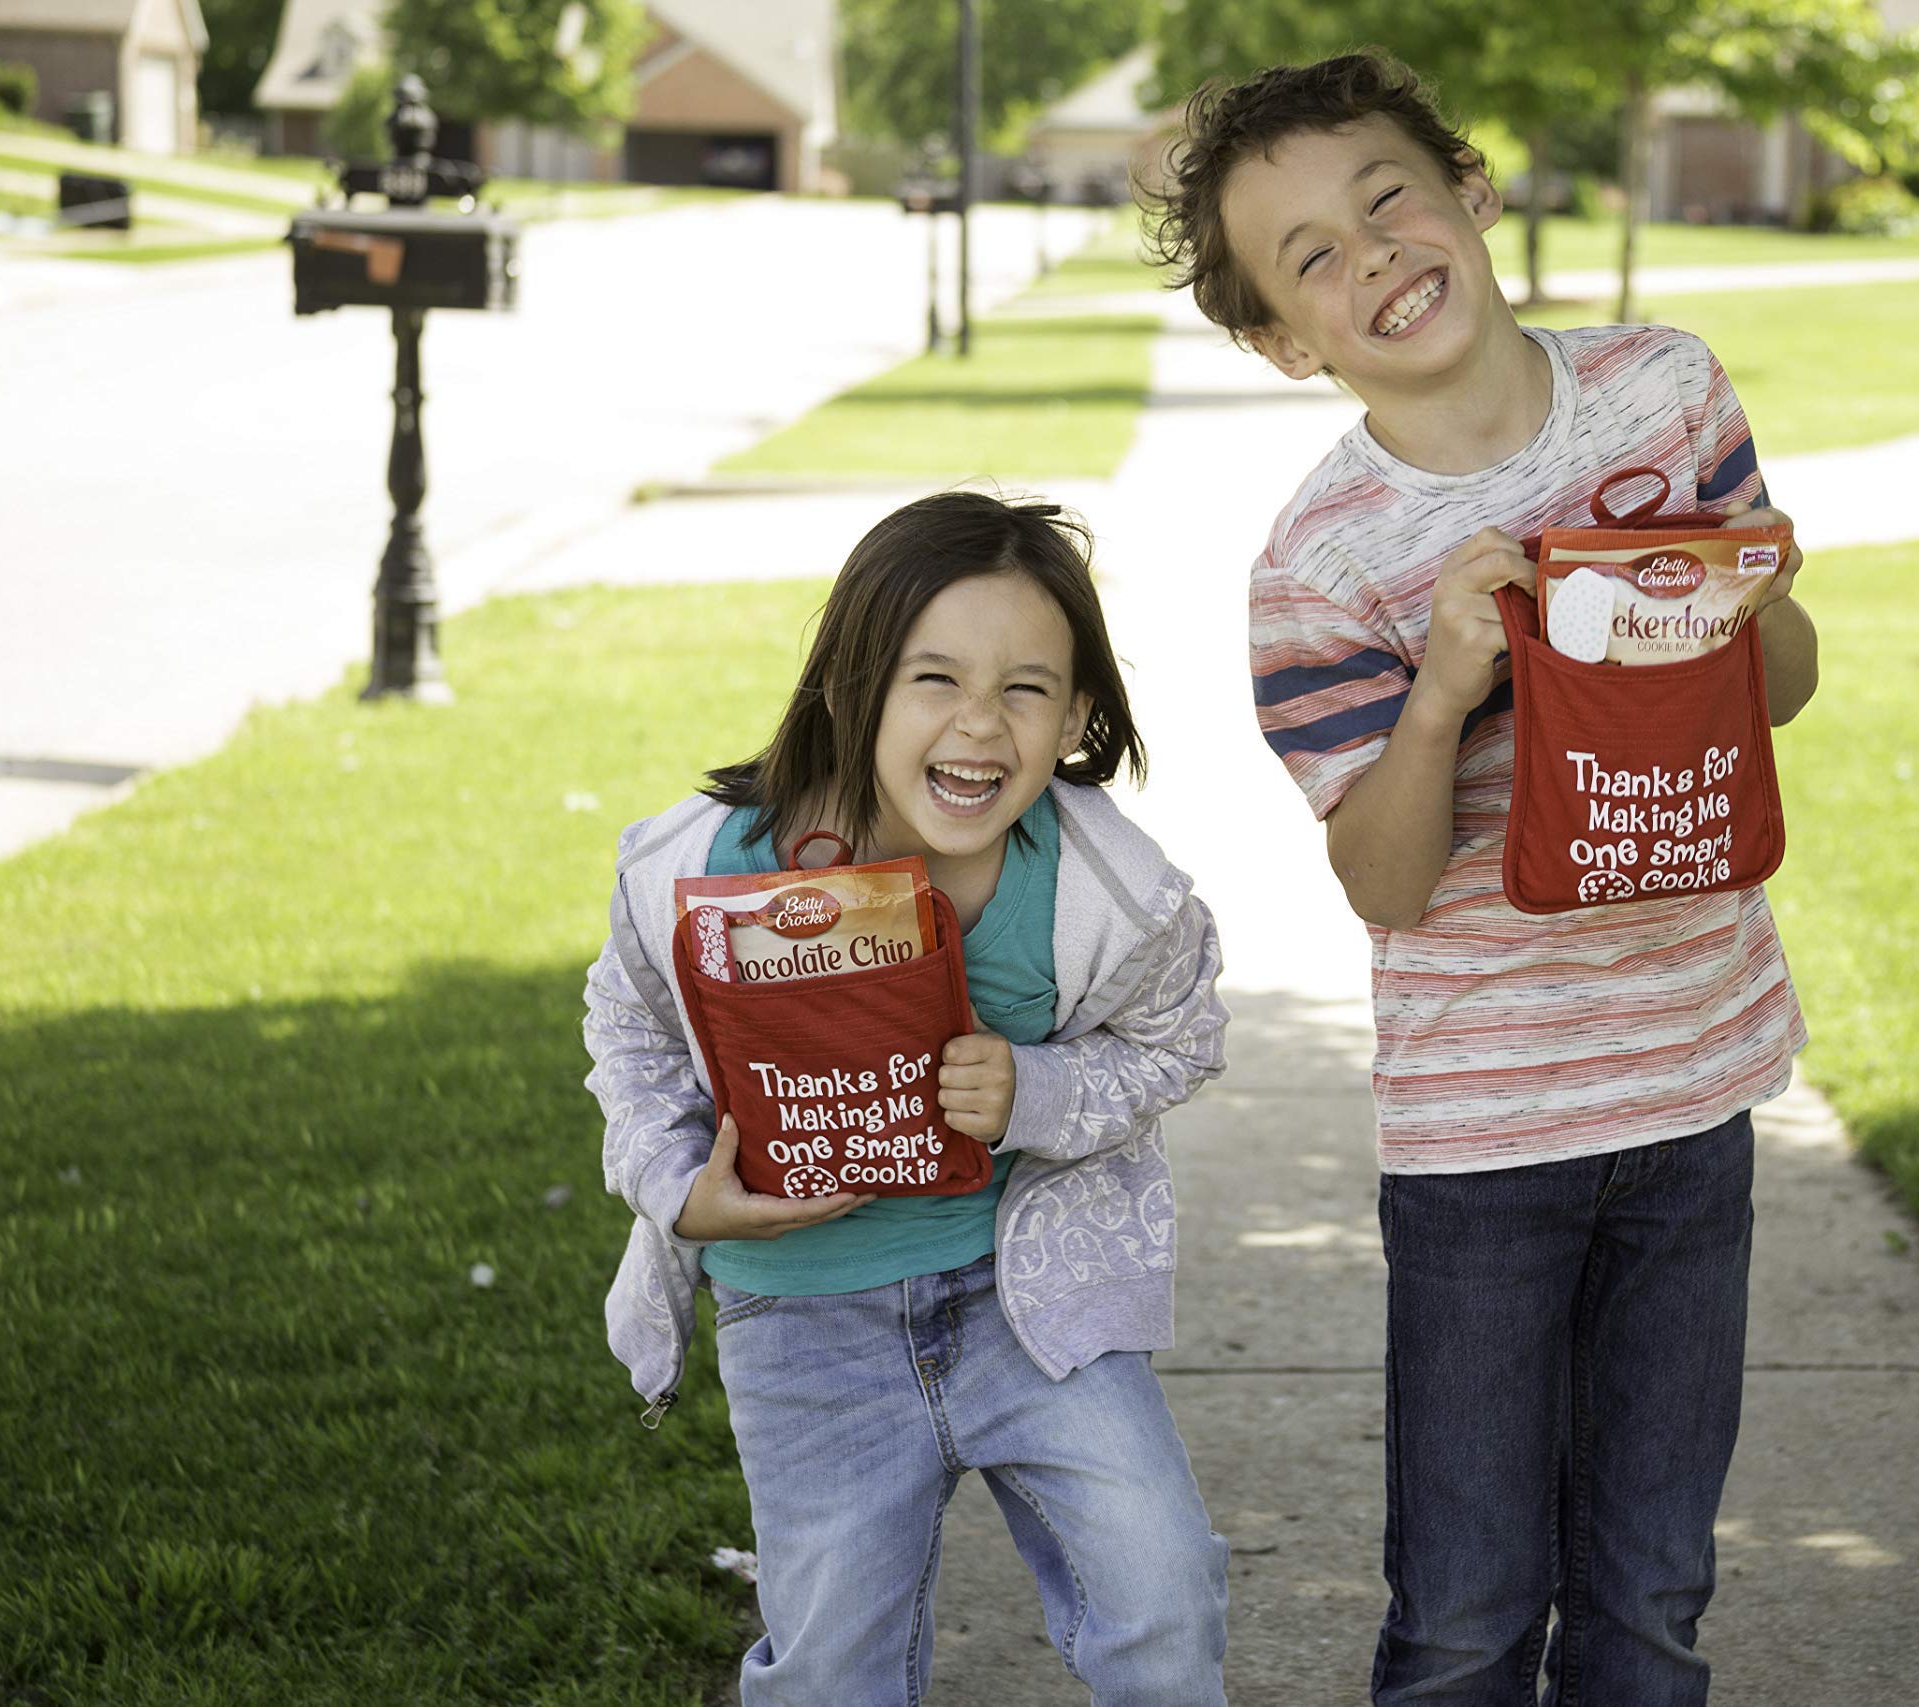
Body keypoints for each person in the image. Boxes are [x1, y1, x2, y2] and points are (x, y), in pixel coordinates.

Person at [1144, 53, 1818, 1705]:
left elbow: (1786, 681)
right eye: (1313, 256)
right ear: (1282, 343)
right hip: (1483, 1135)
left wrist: (1746, 590)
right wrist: (1446, 687)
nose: (1371, 255)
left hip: (1693, 1082)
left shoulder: (1665, 392)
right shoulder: (1321, 563)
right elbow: (1381, 879)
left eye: (1389, 200)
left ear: (1473, 189)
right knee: (1465, 1605)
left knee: (1652, 1587)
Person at [582, 491, 1232, 1706]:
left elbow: (1177, 1043)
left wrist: (1034, 1088)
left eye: (1028, 689)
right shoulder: (701, 869)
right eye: (934, 678)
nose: (979, 725)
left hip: (1023, 1304)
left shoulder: (1110, 891)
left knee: (1163, 1591)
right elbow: (628, 1029)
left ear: (1080, 714)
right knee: (835, 1671)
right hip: (801, 1323)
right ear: (851, 686)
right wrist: (679, 1187)